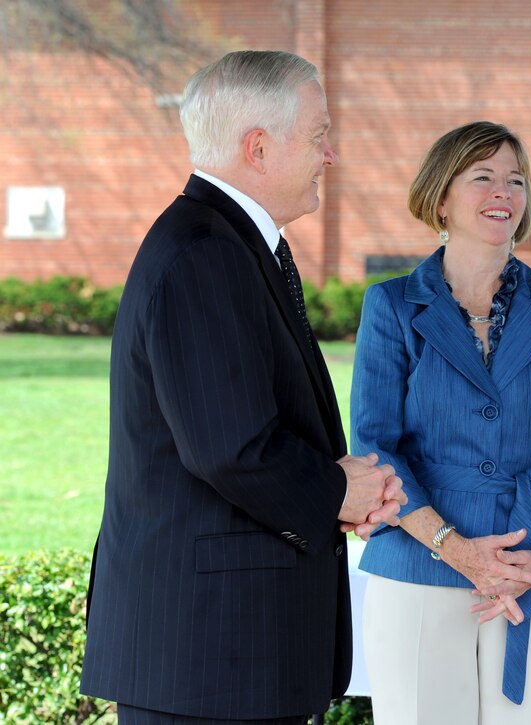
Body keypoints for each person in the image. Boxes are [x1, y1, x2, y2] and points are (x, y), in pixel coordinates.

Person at [80, 50, 407, 724]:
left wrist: (339, 489)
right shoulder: (204, 252)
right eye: (318, 136)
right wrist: (337, 490)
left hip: (227, 657)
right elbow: (231, 447)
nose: (331, 155)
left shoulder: (231, 244)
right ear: (258, 147)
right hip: (211, 660)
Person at [349, 121, 531, 724]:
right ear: (441, 198)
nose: (503, 192)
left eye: (516, 180)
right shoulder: (391, 305)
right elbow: (375, 447)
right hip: (417, 565)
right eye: (483, 177)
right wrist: (456, 549)